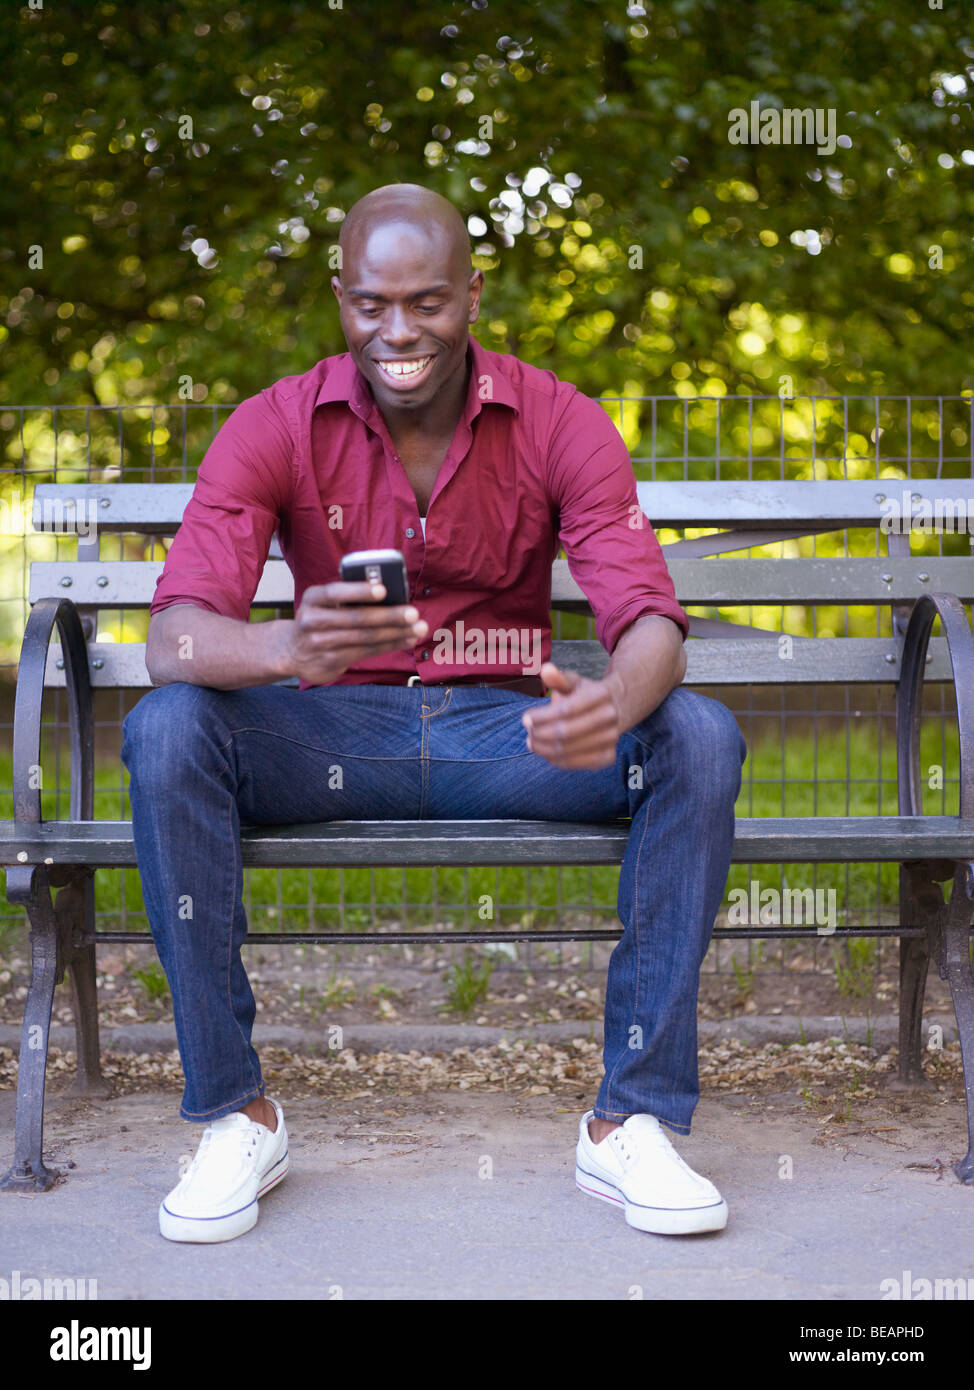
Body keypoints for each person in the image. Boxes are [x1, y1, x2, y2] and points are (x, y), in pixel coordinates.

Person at [122, 182, 747, 1244]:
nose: (397, 330)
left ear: (472, 293)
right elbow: (171, 638)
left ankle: (628, 1119)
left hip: (509, 739)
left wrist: (607, 704)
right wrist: (284, 644)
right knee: (169, 726)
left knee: (694, 733)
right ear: (339, 299)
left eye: (426, 301)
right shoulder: (274, 422)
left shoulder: (558, 419)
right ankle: (237, 1114)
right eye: (370, 304)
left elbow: (651, 624)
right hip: (326, 736)